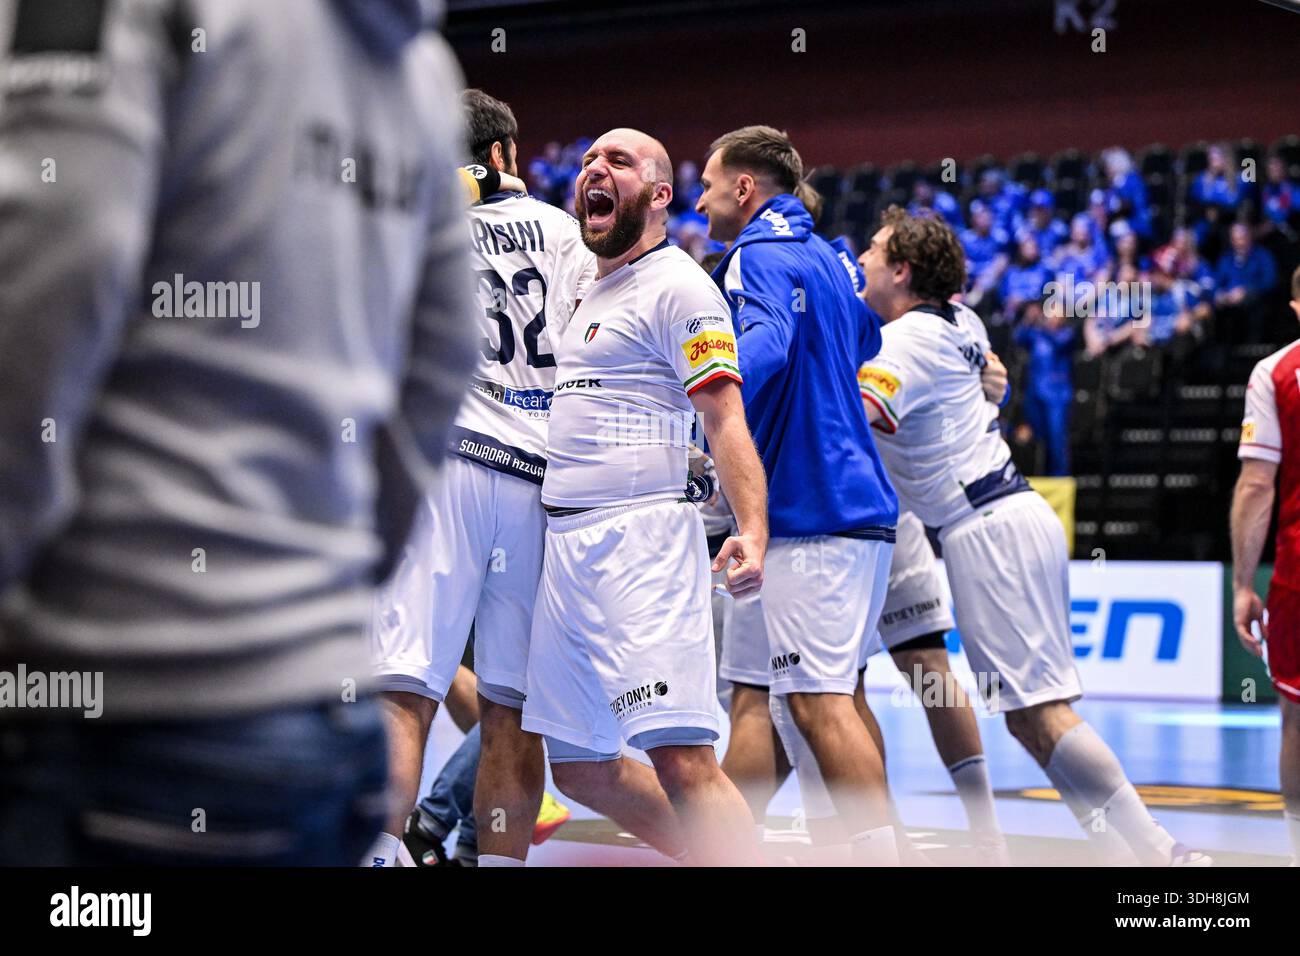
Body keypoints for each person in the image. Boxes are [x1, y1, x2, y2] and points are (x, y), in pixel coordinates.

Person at [0, 0, 477, 865]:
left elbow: (42, 288)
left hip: (112, 716)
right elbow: (441, 358)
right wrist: (312, 601)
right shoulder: (421, 68)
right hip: (317, 715)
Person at [857, 206, 1211, 866]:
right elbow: (988, 378)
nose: (862, 263)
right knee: (1027, 715)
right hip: (1004, 519)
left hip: (986, 528)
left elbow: (859, 415)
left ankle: (1165, 855)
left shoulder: (903, 342)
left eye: (874, 252)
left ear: (902, 270)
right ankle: (1120, 852)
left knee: (1043, 713)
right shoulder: (963, 321)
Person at [521, 128, 768, 867]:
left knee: (683, 759)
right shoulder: (585, 289)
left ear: (661, 196)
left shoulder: (682, 285)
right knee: (581, 767)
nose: (597, 168)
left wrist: (752, 527)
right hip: (562, 550)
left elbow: (725, 415)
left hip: (639, 545)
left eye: (620, 161)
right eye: (591, 160)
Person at [696, 125, 902, 865]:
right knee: (770, 701)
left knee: (816, 702)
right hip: (822, 512)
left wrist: (698, 387)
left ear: (744, 188)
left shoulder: (753, 255)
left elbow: (769, 346)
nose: (699, 200)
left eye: (709, 185)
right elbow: (866, 343)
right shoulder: (825, 257)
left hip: (817, 512)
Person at [1231, 263, 1300, 868]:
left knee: (1298, 720)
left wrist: (1241, 586)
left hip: (1299, 572)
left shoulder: (1276, 372)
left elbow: (1257, 485)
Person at [1215, 222, 1279, 344]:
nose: (1240, 243)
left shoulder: (1263, 255)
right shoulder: (1226, 258)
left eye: (1242, 238)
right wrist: (1221, 294)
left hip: (1255, 298)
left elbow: (1269, 281)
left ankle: (1252, 346)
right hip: (1229, 301)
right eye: (1236, 239)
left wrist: (1246, 291)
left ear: (1249, 237)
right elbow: (1217, 282)